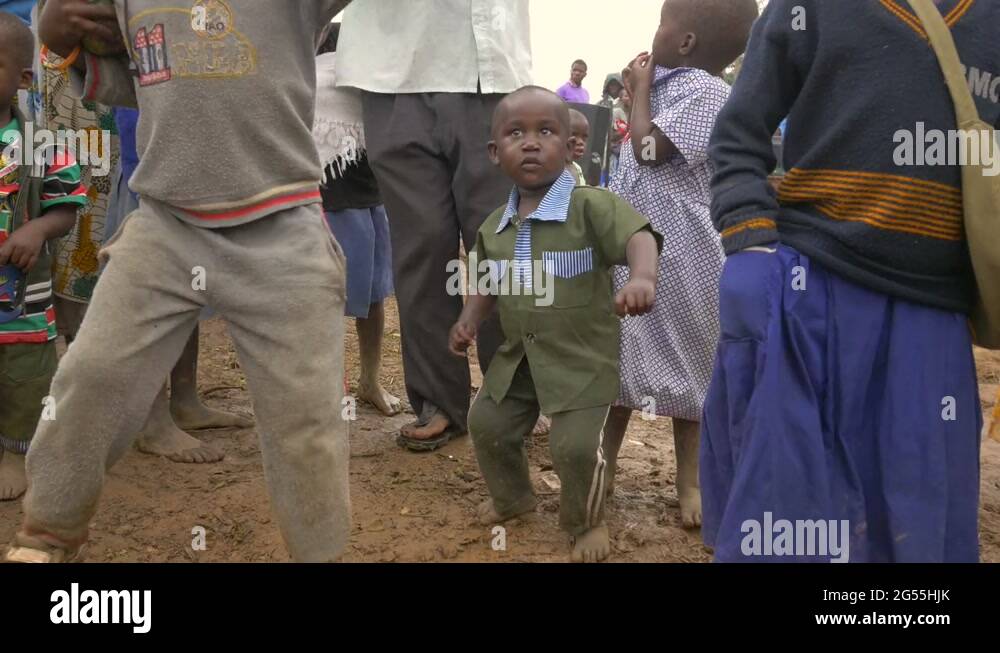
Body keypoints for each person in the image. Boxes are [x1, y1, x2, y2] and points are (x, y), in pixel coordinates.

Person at [6, 0, 354, 563]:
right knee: (91, 378)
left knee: (307, 421)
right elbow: (117, 78)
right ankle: (48, 535)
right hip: (167, 223)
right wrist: (54, 31)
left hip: (282, 229)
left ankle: (321, 554)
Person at [703, 0, 1000, 562]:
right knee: (789, 522)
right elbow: (739, 133)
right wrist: (750, 242)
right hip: (810, 298)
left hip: (932, 321)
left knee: (912, 529)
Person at [454, 86, 661, 562]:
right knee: (487, 423)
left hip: (581, 358)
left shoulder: (589, 206)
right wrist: (468, 318)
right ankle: (513, 498)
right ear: (494, 152)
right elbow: (487, 282)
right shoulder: (492, 228)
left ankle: (585, 522)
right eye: (515, 133)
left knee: (575, 447)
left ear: (570, 146)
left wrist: (643, 275)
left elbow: (638, 236)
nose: (530, 143)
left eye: (545, 132)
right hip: (520, 358)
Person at [336, 0, 533, 451]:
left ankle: (511, 397)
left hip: (491, 71)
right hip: (393, 68)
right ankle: (438, 400)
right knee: (422, 247)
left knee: (500, 246)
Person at [602, 0, 757, 529]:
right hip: (631, 247)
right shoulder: (670, 88)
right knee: (616, 365)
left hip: (683, 254)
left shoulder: (708, 92)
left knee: (691, 369)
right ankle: (602, 469)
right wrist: (637, 92)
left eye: (662, 26)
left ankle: (689, 482)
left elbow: (648, 151)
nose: (654, 36)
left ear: (686, 43)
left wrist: (641, 91)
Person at [0, 11, 86, 500]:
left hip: (22, 298)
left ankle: (17, 451)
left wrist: (36, 228)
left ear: (23, 78)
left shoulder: (41, 144)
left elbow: (67, 206)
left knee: (25, 378)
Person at [315, 23, 400, 416]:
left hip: (370, 197)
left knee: (374, 296)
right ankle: (333, 389)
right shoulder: (316, 79)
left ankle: (368, 381)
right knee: (332, 298)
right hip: (332, 202)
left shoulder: (377, 79)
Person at [567, 108, 590, 186]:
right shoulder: (551, 170)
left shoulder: (577, 168)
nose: (580, 142)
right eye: (573, 135)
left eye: (584, 138)